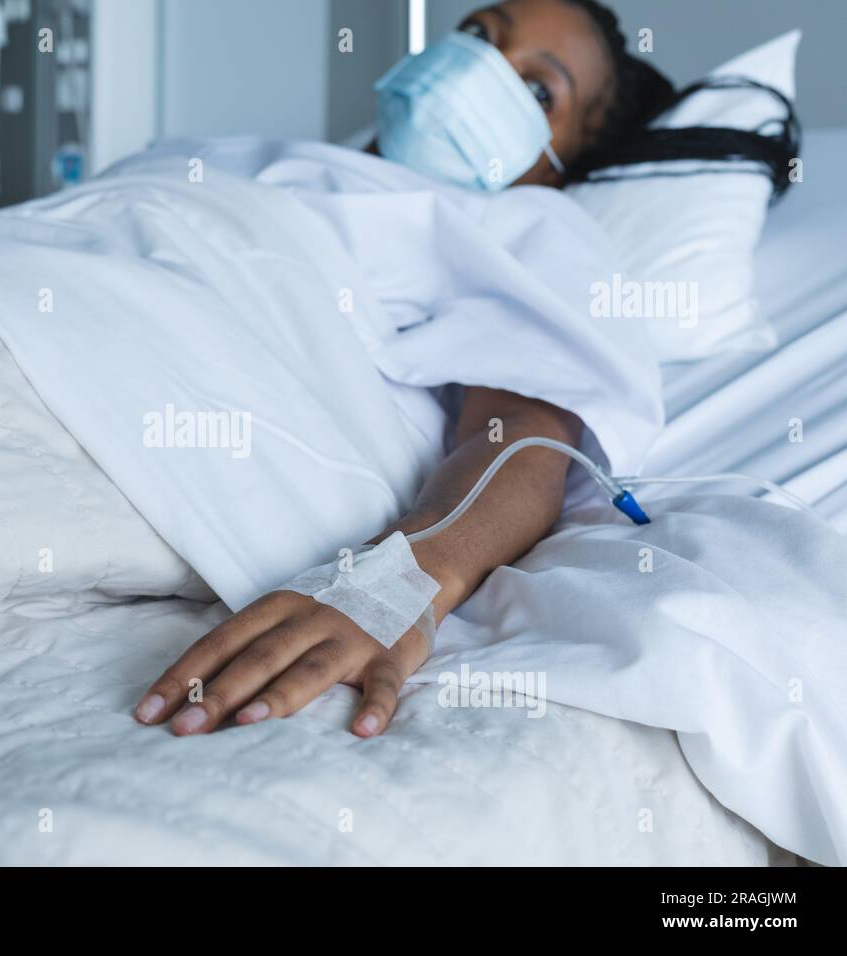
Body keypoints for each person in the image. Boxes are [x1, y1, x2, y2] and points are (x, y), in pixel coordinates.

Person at [133, 0, 800, 738]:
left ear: (561, 162)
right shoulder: (249, 155)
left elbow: (524, 429)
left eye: (539, 91)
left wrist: (393, 589)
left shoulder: (527, 226)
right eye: (481, 35)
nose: (483, 68)